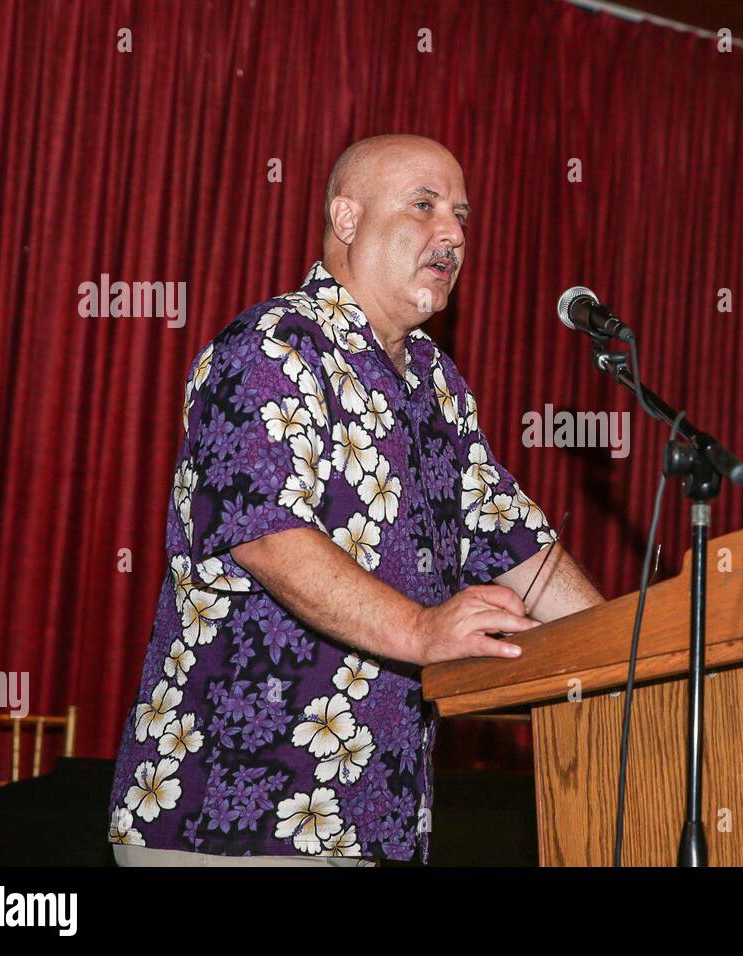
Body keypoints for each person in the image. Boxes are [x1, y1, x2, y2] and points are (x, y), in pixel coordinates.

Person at [107, 134, 605, 866]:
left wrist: (632, 656)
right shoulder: (270, 347)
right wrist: (424, 631)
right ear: (346, 218)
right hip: (234, 814)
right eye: (424, 206)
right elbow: (268, 536)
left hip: (374, 816)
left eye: (461, 215)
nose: (455, 234)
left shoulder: (436, 381)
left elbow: (518, 543)